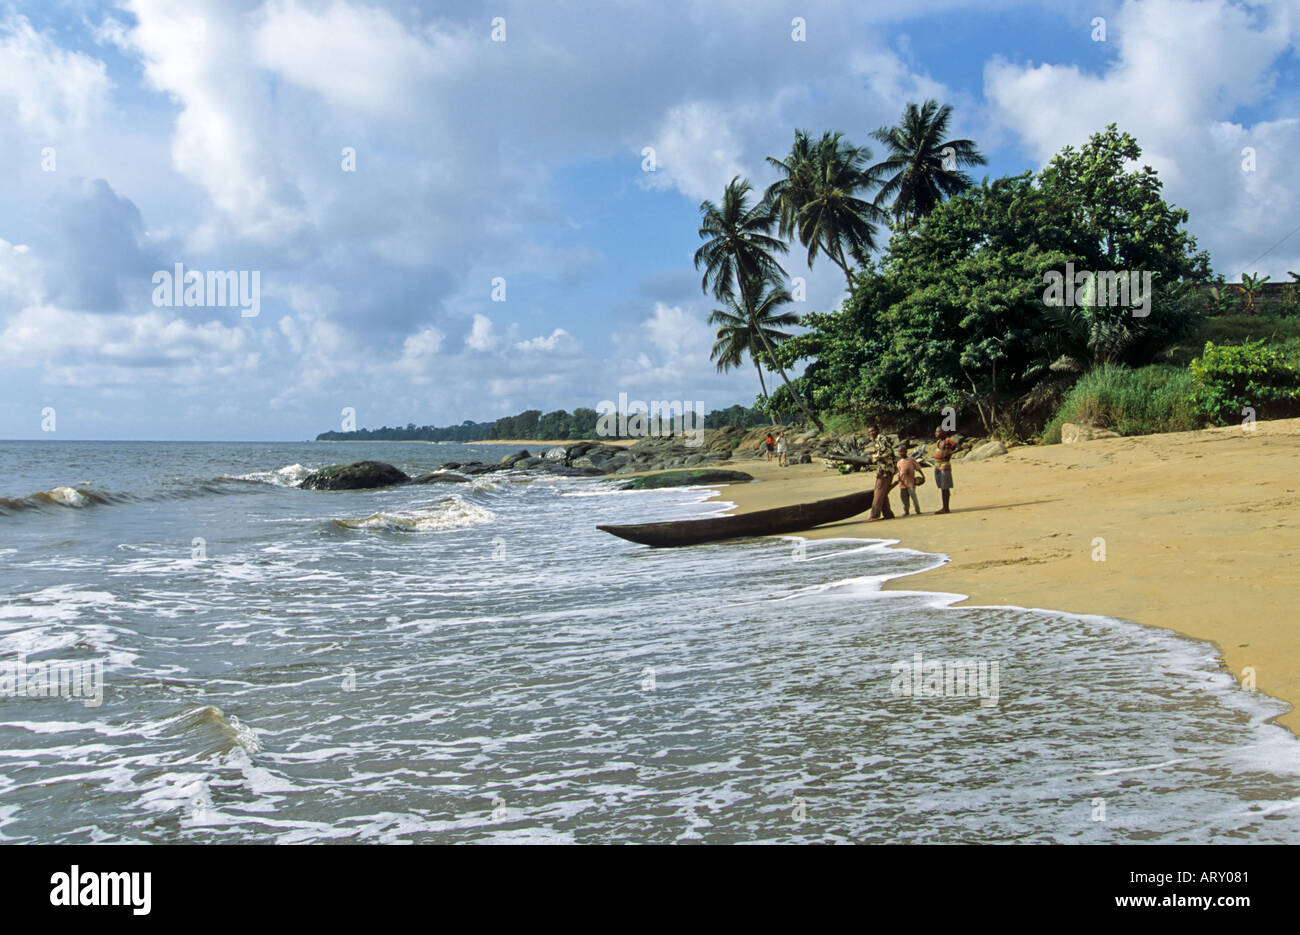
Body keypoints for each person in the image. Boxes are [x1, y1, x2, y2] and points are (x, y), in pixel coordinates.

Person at [866, 425, 896, 520]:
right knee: (883, 491)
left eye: (873, 431)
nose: (871, 433)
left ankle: (875, 515)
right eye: (870, 432)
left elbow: (888, 451)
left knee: (879, 491)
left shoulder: (882, 439)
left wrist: (876, 457)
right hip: (883, 468)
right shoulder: (876, 440)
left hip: (886, 469)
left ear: (877, 430)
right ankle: (888, 513)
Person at [932, 428, 958, 514]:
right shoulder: (938, 442)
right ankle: (944, 507)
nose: (936, 433)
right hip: (937, 465)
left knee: (945, 487)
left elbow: (959, 447)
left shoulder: (948, 441)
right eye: (936, 431)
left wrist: (950, 453)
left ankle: (946, 508)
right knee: (942, 486)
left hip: (944, 465)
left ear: (943, 432)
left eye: (938, 431)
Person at [896, 444, 921, 515]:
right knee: (904, 498)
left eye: (902, 452)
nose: (900, 453)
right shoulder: (899, 462)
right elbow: (899, 472)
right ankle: (906, 511)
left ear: (906, 452)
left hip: (910, 482)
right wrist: (898, 478)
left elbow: (918, 468)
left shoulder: (911, 460)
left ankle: (917, 510)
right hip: (902, 483)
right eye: (899, 452)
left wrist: (923, 476)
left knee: (913, 497)